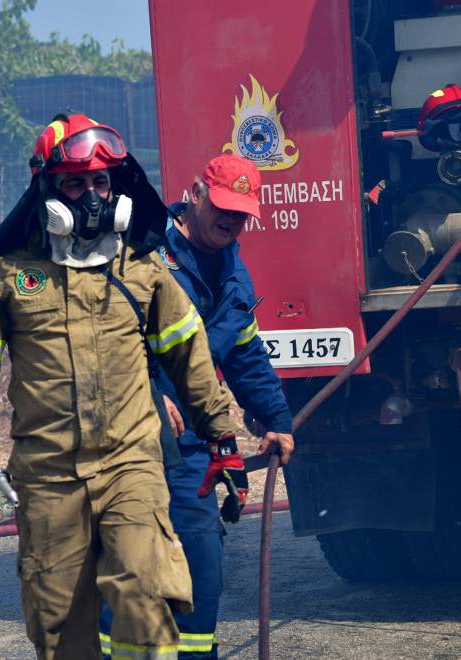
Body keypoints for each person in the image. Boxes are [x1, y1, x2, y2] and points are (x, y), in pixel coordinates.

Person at [0, 113, 247, 660]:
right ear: (48, 189)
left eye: (102, 183)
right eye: (76, 182)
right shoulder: (7, 276)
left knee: (146, 600)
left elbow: (189, 354)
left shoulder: (143, 268)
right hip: (49, 477)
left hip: (131, 465)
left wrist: (222, 437)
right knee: (61, 635)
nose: (93, 196)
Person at [100, 154, 295, 660]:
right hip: (128, 438)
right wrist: (149, 391)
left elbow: (247, 356)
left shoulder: (234, 274)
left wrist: (275, 421)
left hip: (192, 449)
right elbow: (102, 337)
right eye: (222, 206)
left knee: (199, 560)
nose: (230, 219)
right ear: (194, 194)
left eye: (241, 213)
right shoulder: (139, 251)